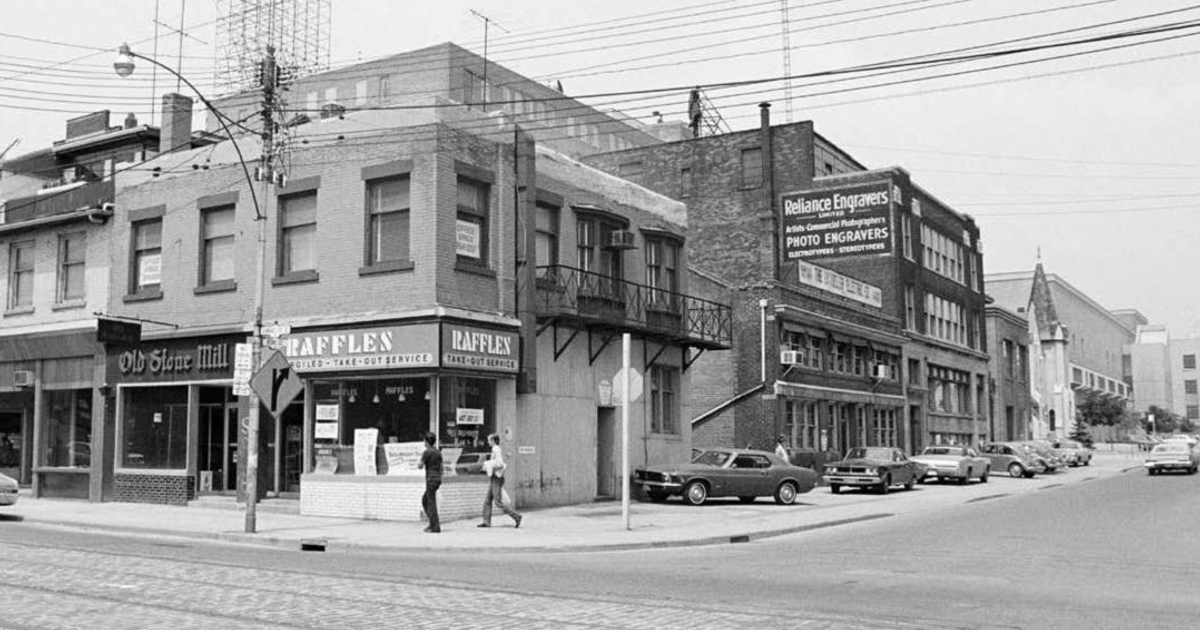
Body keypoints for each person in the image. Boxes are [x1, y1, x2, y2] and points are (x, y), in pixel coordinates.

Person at [478, 432, 522, 529]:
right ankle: (486, 521)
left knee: (498, 502)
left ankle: (516, 516)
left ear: (493, 441)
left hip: (496, 478)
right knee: (487, 500)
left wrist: (488, 464)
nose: (488, 442)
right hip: (495, 477)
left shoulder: (496, 449)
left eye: (489, 440)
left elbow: (499, 464)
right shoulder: (495, 449)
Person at [418, 432, 442, 533]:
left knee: (430, 503)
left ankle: (435, 527)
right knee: (425, 500)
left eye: (424, 440)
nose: (423, 442)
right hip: (437, 479)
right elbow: (441, 467)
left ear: (427, 442)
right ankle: (432, 522)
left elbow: (420, 465)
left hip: (430, 479)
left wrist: (420, 461)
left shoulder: (427, 452)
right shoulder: (438, 452)